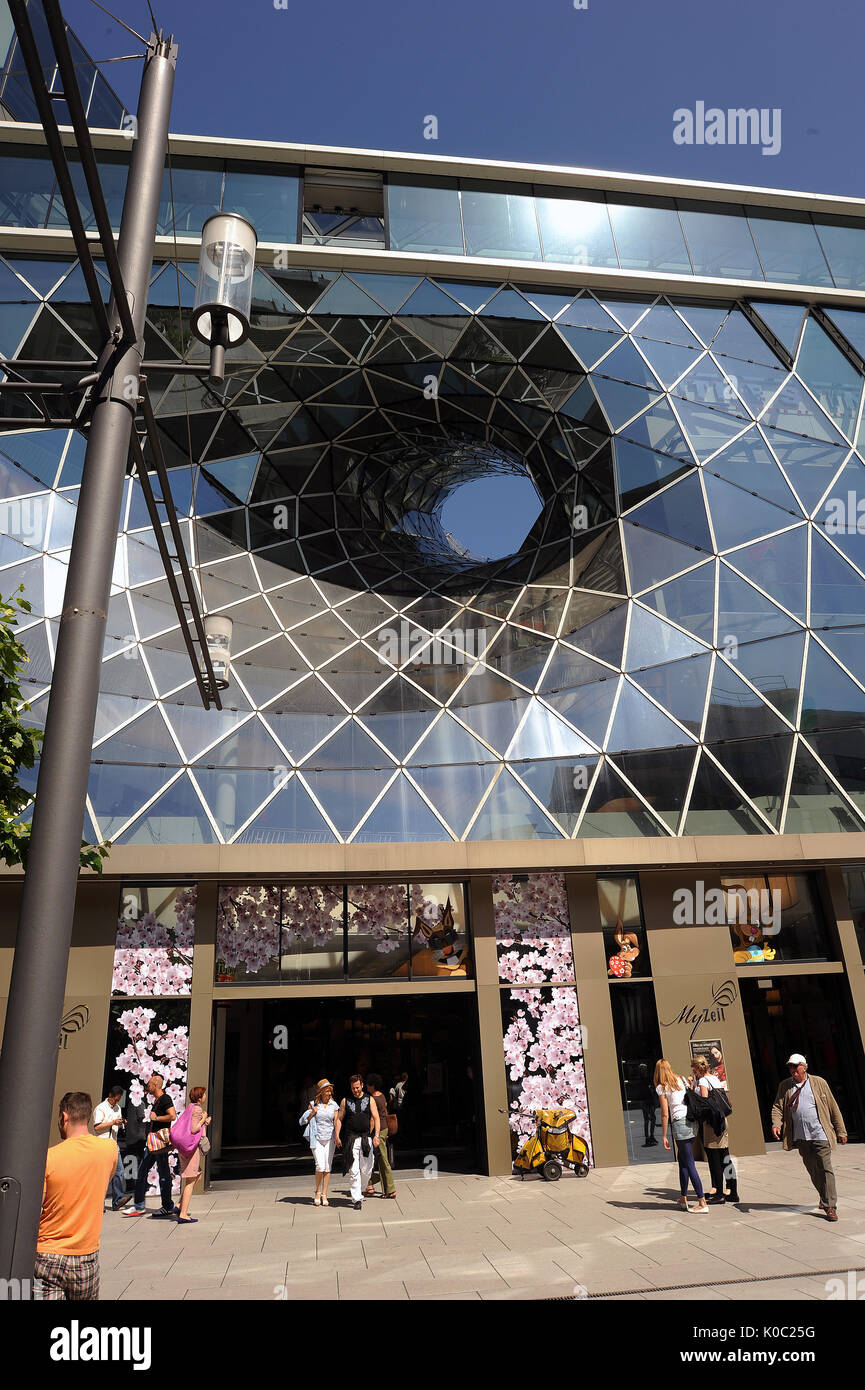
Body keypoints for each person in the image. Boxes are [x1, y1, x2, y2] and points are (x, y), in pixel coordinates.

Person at [35, 1091, 120, 1300]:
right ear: (88, 1116)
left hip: (47, 1254)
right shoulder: (109, 1149)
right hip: (85, 1256)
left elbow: (36, 1207)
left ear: (64, 1117)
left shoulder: (48, 1157)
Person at [771, 1052, 847, 1222]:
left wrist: (841, 1131)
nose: (792, 1069)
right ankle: (824, 1195)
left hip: (820, 1133)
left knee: (825, 1168)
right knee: (813, 1170)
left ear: (804, 1067)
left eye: (795, 1066)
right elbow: (777, 1107)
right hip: (801, 1136)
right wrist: (776, 1124)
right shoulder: (785, 1086)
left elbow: (833, 1107)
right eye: (790, 1067)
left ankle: (830, 1206)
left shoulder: (819, 1083)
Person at [655, 1058, 708, 1213]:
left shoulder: (662, 1087)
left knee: (689, 1163)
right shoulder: (681, 1079)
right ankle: (683, 1197)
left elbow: (665, 1114)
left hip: (680, 1124)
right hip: (692, 1122)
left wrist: (664, 1135)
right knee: (683, 1161)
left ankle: (702, 1202)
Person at [125, 1073, 177, 1218]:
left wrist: (157, 1118)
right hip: (153, 1142)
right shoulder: (158, 1100)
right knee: (144, 1172)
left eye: (149, 1084)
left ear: (155, 1085)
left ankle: (166, 1206)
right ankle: (140, 1205)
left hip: (159, 1143)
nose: (147, 1087)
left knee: (162, 1173)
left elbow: (172, 1115)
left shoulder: (165, 1098)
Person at [690, 1055, 738, 1205]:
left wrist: (691, 1090)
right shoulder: (714, 1078)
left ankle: (719, 1194)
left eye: (694, 1070)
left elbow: (704, 1103)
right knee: (725, 1156)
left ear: (697, 1068)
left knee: (714, 1158)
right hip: (722, 1120)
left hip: (712, 1123)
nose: (693, 1072)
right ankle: (732, 1191)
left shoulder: (703, 1081)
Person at [335, 1073, 379, 1210]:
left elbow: (376, 1117)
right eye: (353, 1088)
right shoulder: (345, 1101)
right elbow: (339, 1119)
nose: (355, 1090)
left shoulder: (370, 1099)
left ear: (362, 1085)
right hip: (351, 1139)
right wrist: (336, 1135)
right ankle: (357, 1199)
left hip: (366, 1138)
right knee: (354, 1171)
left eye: (357, 1087)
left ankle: (360, 1189)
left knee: (367, 1170)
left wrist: (376, 1135)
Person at [301, 1078, 339, 1206]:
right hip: (317, 1138)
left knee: (327, 1167)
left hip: (330, 1139)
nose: (329, 1093)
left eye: (330, 1091)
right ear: (321, 1092)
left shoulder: (334, 1105)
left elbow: (336, 1122)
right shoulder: (313, 1104)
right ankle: (317, 1192)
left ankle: (324, 1194)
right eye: (327, 1091)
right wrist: (313, 1112)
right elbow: (304, 1121)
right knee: (320, 1166)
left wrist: (337, 1136)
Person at [92, 1085, 130, 1211]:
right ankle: (99, 1203)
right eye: (116, 1099)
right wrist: (113, 1122)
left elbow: (116, 1124)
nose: (117, 1102)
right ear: (110, 1096)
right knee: (102, 1175)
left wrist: (121, 1123)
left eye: (119, 1099)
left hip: (113, 1143)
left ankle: (117, 1200)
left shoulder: (117, 1108)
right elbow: (97, 1127)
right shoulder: (100, 1108)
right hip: (102, 1144)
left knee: (119, 1172)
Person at [176, 1086, 210, 1224]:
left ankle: (179, 1205)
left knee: (198, 1174)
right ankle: (183, 1214)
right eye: (204, 1094)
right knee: (190, 1181)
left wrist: (204, 1121)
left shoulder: (191, 1107)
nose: (205, 1096)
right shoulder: (197, 1109)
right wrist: (204, 1118)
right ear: (200, 1097)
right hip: (191, 1148)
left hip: (185, 1147)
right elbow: (194, 1128)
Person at [364, 1074, 397, 1200]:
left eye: (368, 1084)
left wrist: (369, 1133)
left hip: (378, 1131)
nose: (366, 1086)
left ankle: (390, 1189)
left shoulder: (372, 1099)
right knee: (380, 1160)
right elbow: (385, 1112)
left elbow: (373, 1118)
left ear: (372, 1085)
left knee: (383, 1160)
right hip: (384, 1128)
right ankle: (371, 1184)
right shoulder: (382, 1096)